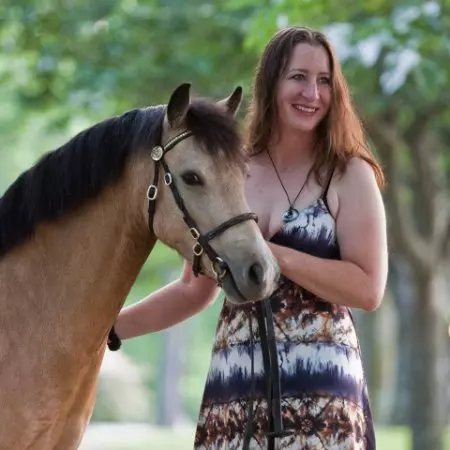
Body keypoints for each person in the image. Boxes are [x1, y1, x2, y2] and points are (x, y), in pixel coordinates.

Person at [113, 25, 388, 450]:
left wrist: (271, 253)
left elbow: (368, 289)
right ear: (271, 82)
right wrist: (110, 329)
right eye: (298, 77)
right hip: (236, 383)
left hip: (322, 387)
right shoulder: (231, 170)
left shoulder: (349, 174)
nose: (311, 93)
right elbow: (193, 290)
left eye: (324, 81)